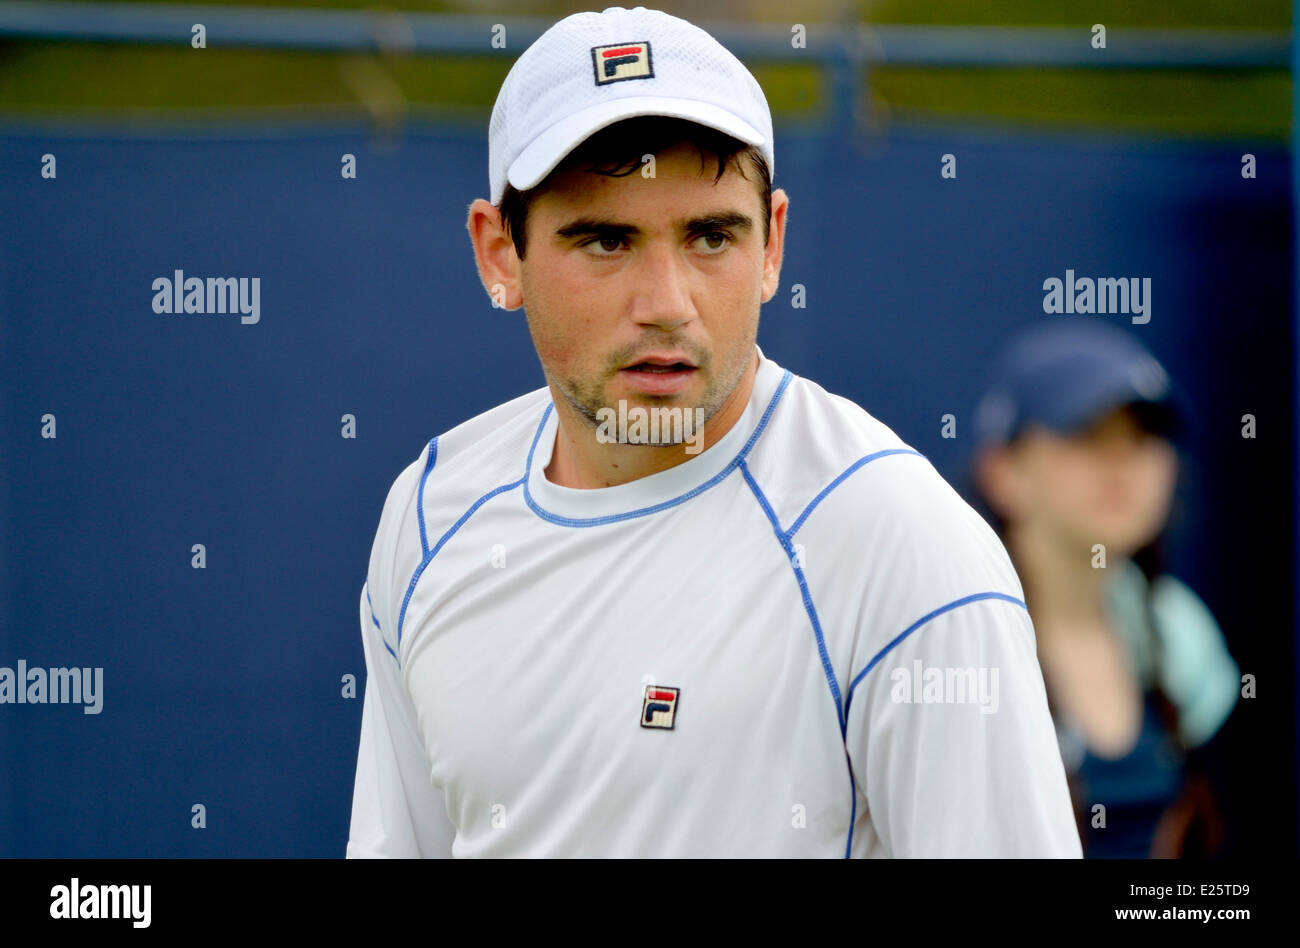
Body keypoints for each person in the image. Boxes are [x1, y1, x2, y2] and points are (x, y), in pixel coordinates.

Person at [346, 5, 1081, 858]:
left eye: (709, 236)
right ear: (499, 254)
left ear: (771, 246)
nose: (667, 304)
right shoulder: (429, 514)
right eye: (606, 240)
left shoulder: (903, 542)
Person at [970, 322, 1240, 858]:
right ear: (1003, 471)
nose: (1121, 464)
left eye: (1142, 437)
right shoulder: (949, 641)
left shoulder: (1184, 636)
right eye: (1086, 434)